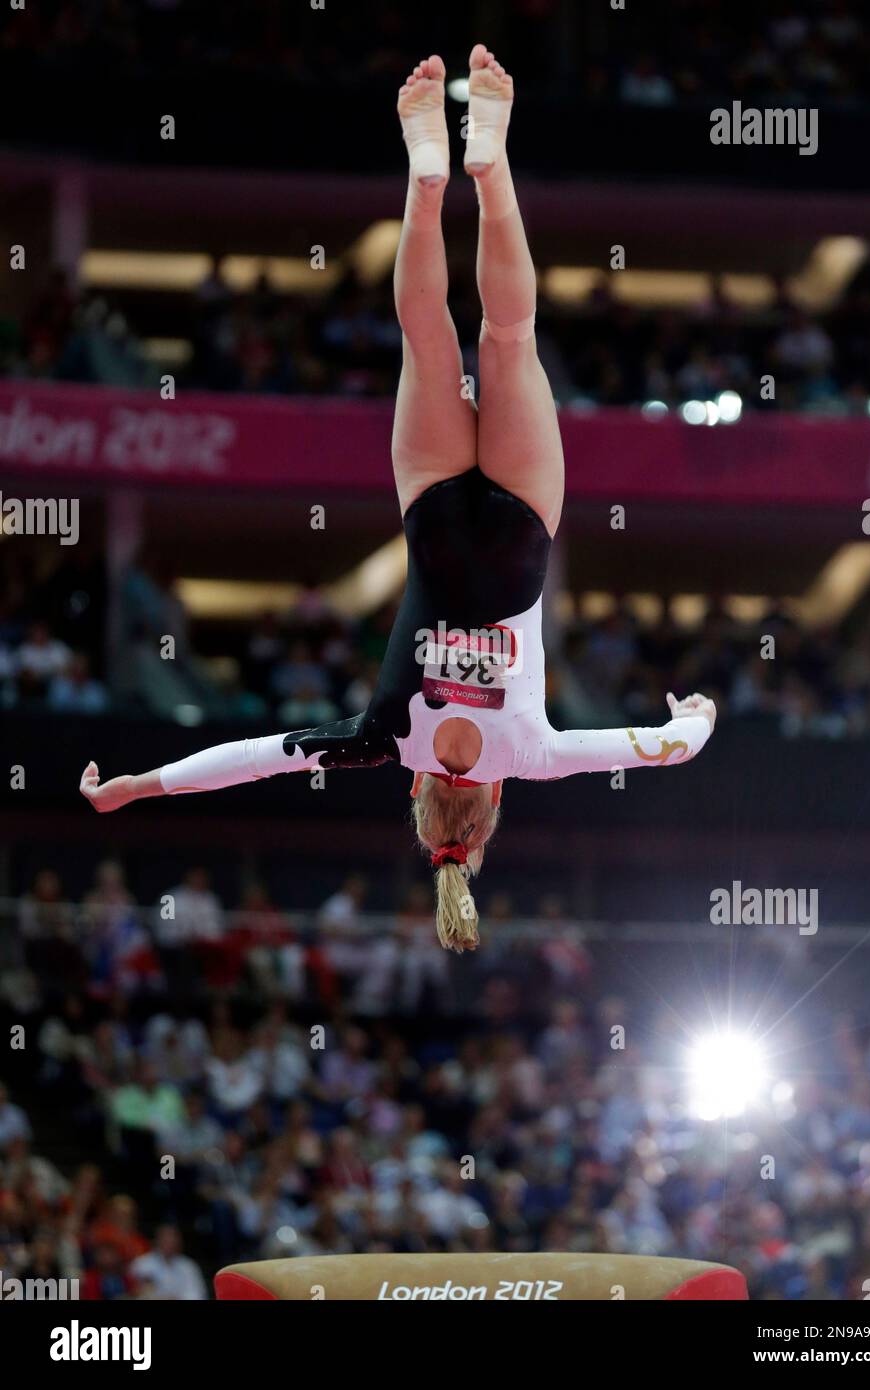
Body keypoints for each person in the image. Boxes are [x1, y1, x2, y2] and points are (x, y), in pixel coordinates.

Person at [80, 47, 716, 953]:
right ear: (419, 793)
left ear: (489, 803)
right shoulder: (384, 736)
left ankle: (488, 171)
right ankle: (425, 179)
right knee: (427, 334)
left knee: (509, 334)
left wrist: (694, 721)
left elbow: (665, 749)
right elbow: (250, 762)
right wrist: (138, 784)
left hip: (520, 527)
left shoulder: (529, 755)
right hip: (433, 519)